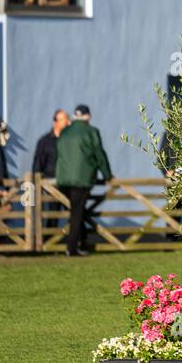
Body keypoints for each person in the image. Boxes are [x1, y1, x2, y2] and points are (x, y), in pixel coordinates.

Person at [54, 103, 113, 257]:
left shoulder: (65, 132)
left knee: (76, 211)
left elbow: (59, 154)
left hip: (63, 180)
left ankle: (82, 242)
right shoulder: (91, 131)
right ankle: (71, 248)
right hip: (82, 179)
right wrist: (107, 175)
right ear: (88, 116)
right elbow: (99, 154)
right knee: (77, 213)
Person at [32, 109, 70, 178]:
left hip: (67, 184)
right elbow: (37, 165)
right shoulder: (44, 142)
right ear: (56, 122)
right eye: (65, 120)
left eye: (68, 119)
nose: (68, 123)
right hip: (49, 183)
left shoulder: (70, 141)